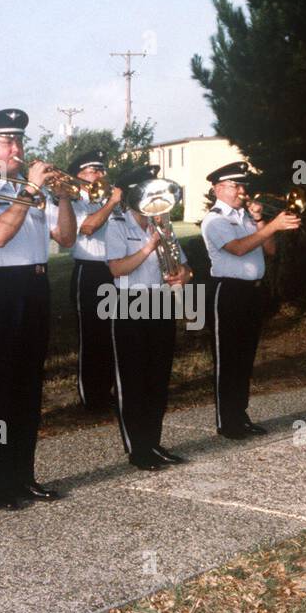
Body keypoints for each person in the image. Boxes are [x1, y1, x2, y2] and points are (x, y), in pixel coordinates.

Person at [0, 108, 75, 510]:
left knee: (29, 388)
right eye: (8, 142)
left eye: (19, 141)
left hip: (35, 286)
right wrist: (27, 193)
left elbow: (67, 237)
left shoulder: (36, 192)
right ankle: (0, 483)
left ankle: (24, 475)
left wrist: (61, 198)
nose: (17, 148)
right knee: (1, 390)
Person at [200, 161, 299, 439]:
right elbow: (239, 249)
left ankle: (240, 415)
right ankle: (226, 422)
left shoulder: (245, 217)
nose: (243, 191)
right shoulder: (215, 219)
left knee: (245, 358)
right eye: (236, 185)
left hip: (251, 293)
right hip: (228, 292)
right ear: (219, 189)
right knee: (227, 359)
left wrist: (260, 221)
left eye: (244, 185)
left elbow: (269, 249)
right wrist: (274, 225)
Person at [105, 168, 192, 469]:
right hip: (129, 303)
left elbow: (184, 266)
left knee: (158, 378)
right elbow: (117, 269)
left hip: (160, 302)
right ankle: (137, 449)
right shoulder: (117, 225)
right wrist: (148, 247)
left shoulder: (163, 224)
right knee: (133, 380)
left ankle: (153, 443)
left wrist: (183, 276)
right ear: (133, 194)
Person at [68, 148, 122, 411]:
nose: (99, 174)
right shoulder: (73, 201)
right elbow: (87, 227)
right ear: (78, 176)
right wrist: (111, 203)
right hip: (89, 271)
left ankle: (112, 389)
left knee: (114, 333)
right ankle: (92, 397)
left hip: (115, 271)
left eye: (101, 170)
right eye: (92, 170)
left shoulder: (108, 201)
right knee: (92, 336)